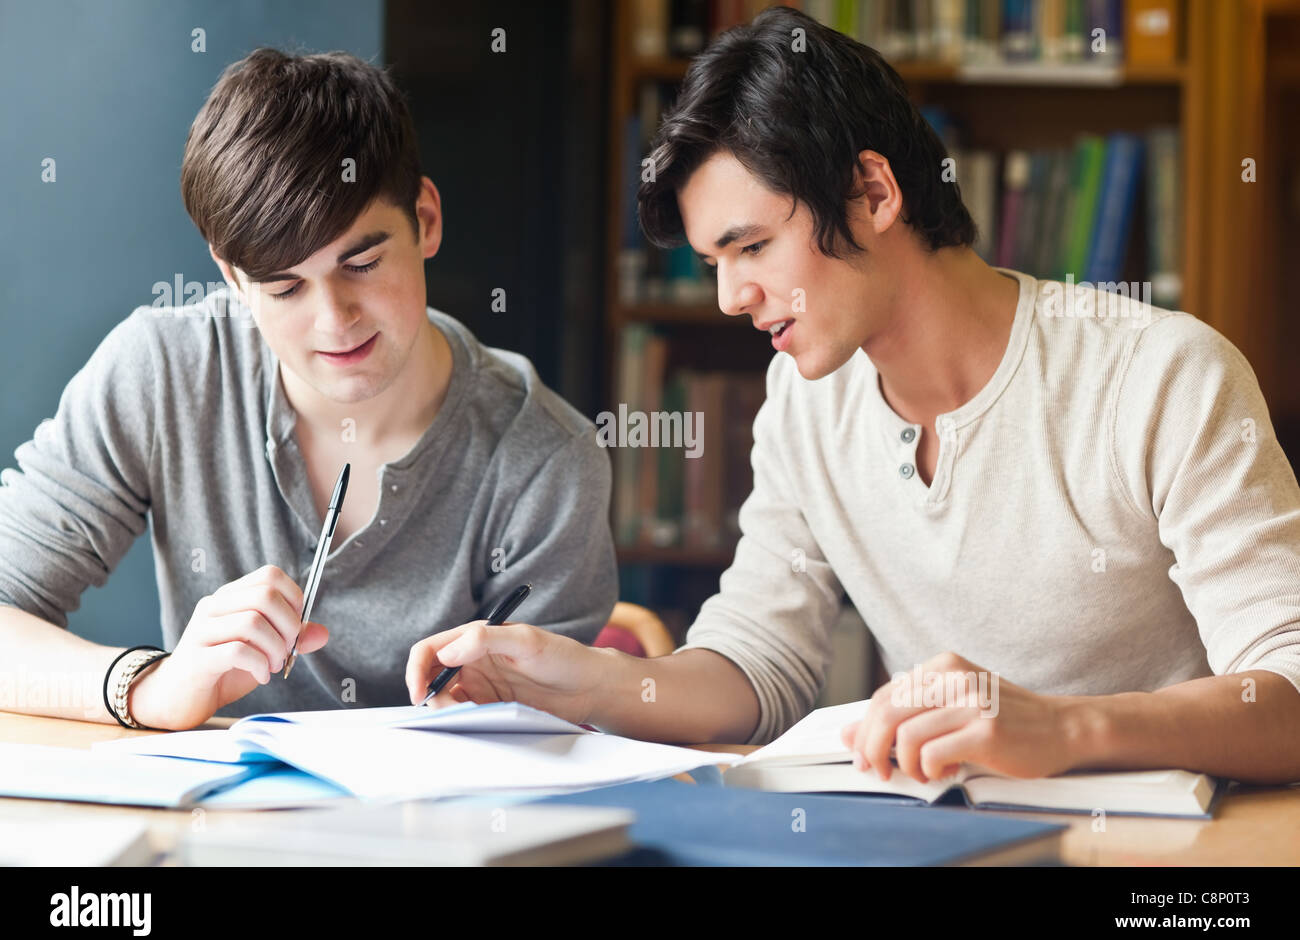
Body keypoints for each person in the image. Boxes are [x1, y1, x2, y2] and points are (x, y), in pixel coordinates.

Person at [407, 7, 1300, 785]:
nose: (729, 297)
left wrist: (1067, 729)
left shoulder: (1162, 377)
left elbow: (1289, 689)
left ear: (874, 191)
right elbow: (759, 668)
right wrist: (563, 677)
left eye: (751, 248)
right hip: (953, 838)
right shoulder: (805, 400)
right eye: (714, 263)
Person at [0, 49, 616, 730]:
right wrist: (154, 687)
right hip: (204, 824)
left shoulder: (546, 458)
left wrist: (502, 710)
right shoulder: (164, 373)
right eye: (284, 286)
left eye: (363, 262)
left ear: (427, 220)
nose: (335, 321)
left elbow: (554, 739)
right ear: (232, 277)